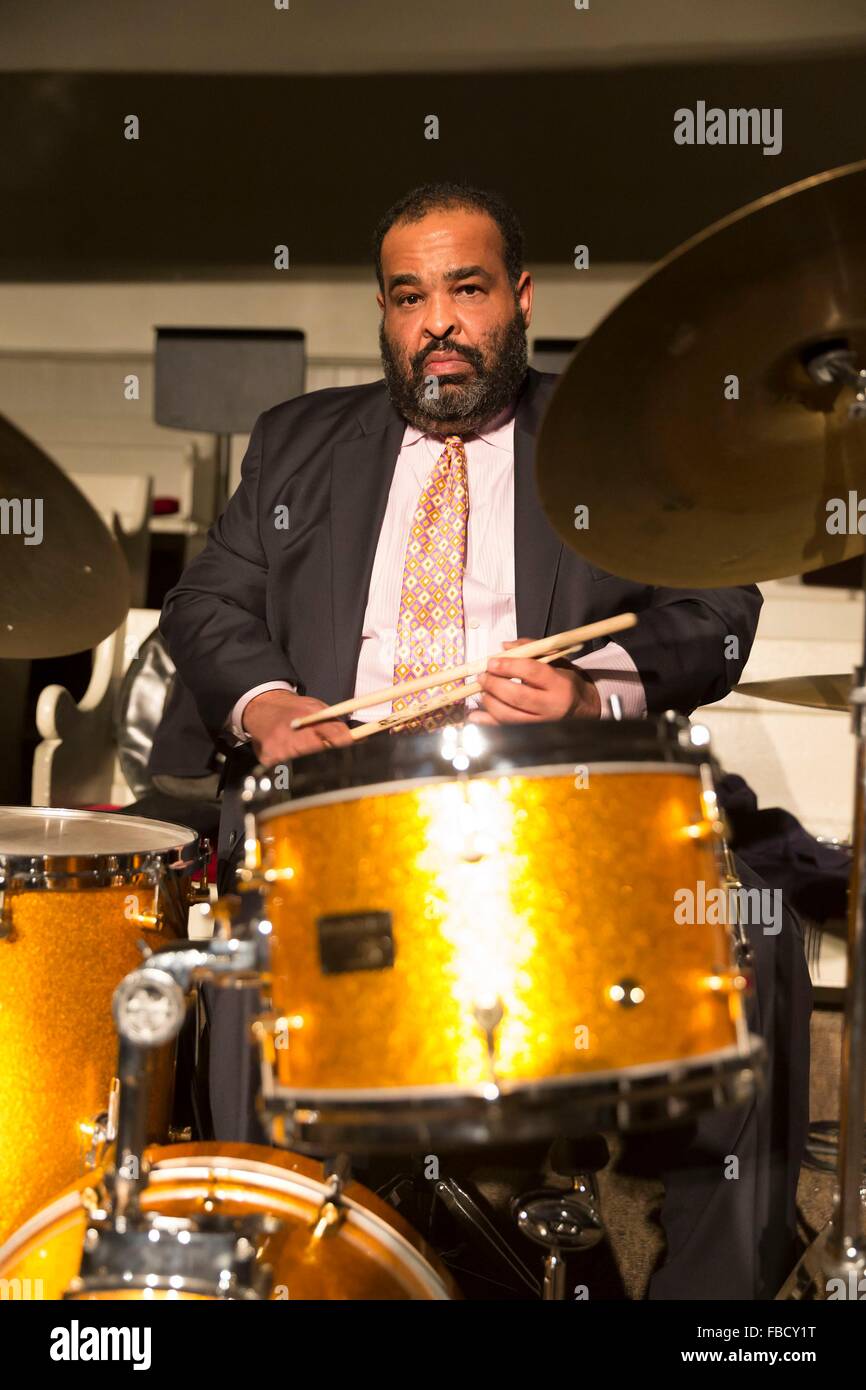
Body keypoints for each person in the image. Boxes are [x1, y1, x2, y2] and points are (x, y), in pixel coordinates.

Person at [160, 181, 810, 1299]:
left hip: (553, 828)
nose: (438, 322)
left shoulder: (605, 443)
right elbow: (206, 605)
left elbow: (713, 609)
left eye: (465, 288)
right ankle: (287, 1269)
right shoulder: (292, 442)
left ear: (517, 296)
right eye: (409, 298)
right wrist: (269, 704)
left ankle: (714, 1309)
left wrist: (590, 692)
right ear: (383, 312)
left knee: (749, 935)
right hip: (342, 827)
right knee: (239, 958)